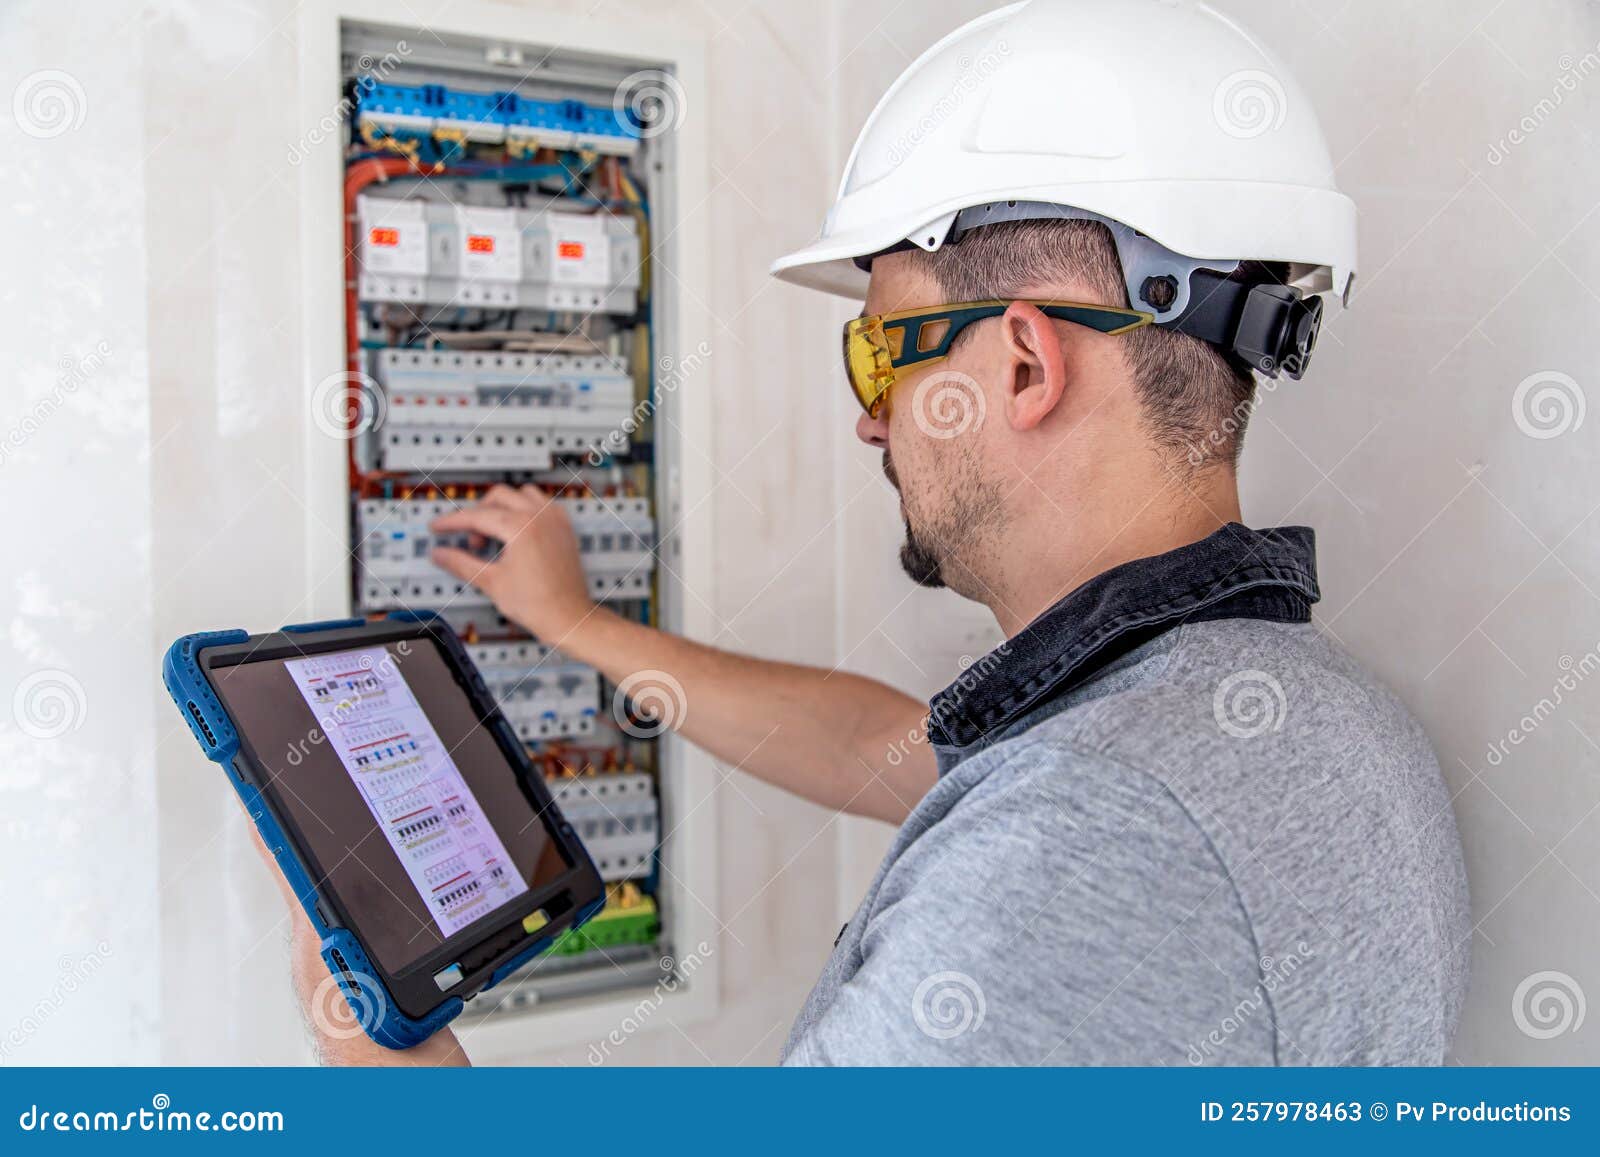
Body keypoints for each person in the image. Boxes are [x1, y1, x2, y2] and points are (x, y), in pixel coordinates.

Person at [265, 0, 1469, 1065]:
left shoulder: (1082, 845)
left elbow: (1043, 837)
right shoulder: (1287, 714)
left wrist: (366, 1024)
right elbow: (892, 754)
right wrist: (578, 625)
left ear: (1020, 361)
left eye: (879, 350)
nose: (866, 420)